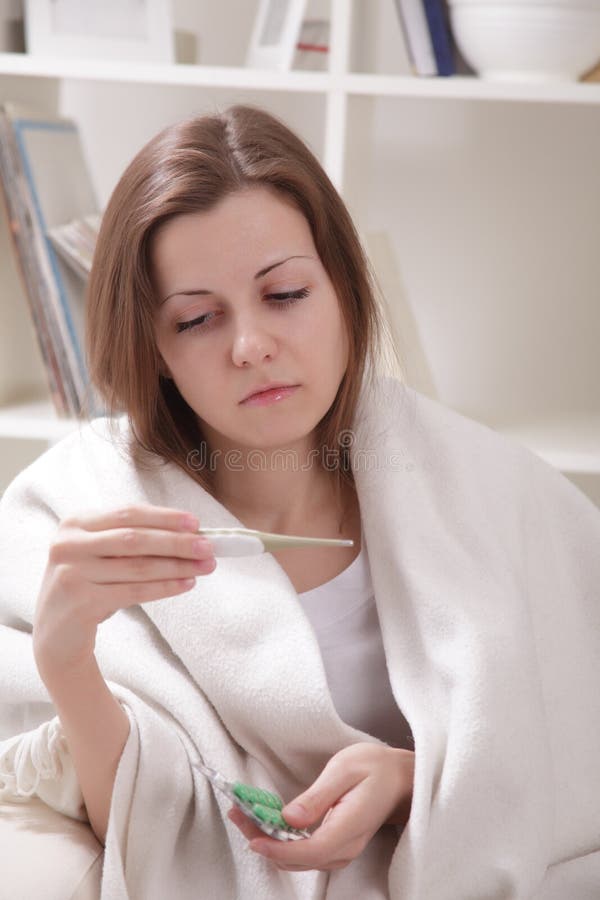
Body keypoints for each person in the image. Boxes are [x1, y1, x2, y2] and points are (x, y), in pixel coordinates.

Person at [0, 103, 599, 900]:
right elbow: (147, 833)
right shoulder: (80, 511)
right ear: (156, 350)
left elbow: (569, 738)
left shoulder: (488, 493)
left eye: (284, 294)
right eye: (198, 318)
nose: (251, 345)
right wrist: (66, 662)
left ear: (343, 290)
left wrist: (411, 781)